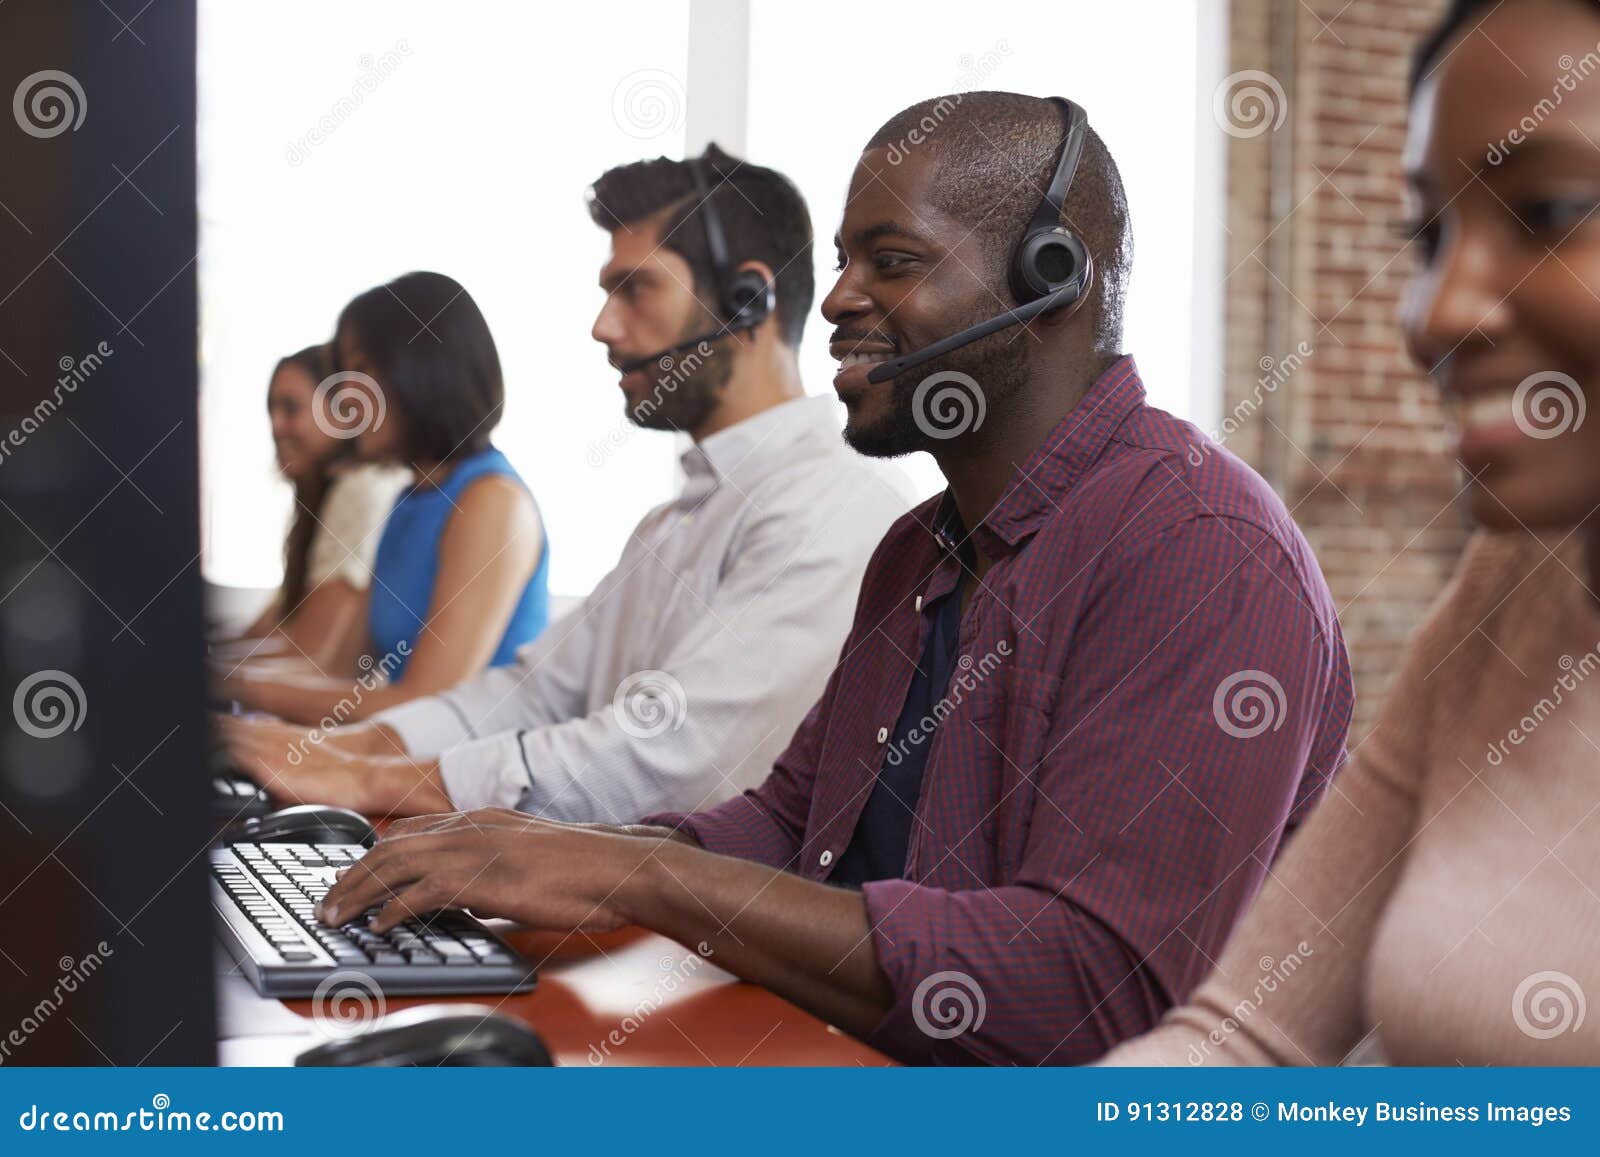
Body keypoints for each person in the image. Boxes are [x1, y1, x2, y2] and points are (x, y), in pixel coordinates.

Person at [313, 93, 1354, 1067]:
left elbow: (1092, 988)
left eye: (891, 262)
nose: (840, 299)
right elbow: (789, 822)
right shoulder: (918, 552)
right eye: (848, 259)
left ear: (1049, 280)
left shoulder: (1197, 548)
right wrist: (550, 855)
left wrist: (635, 874)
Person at [1098, 0, 1600, 1066]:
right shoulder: (1512, 586)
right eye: (1429, 235)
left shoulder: (1209, 542)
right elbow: (1243, 1035)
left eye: (1551, 208)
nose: (1433, 310)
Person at [219, 145, 915, 823]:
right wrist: (330, 750)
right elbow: (523, 696)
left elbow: (669, 761)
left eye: (635, 288)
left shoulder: (831, 511)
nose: (602, 326)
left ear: (747, 300)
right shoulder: (670, 525)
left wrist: (364, 775)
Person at [214, 272, 550, 724]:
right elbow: (338, 669)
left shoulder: (493, 502)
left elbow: (427, 703)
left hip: (473, 780)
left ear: (423, 369)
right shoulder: (407, 502)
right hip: (404, 766)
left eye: (363, 370)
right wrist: (218, 673)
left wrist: (230, 683)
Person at [211, 342, 410, 673]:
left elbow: (307, 653)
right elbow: (273, 626)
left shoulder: (360, 489)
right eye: (271, 410)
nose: (276, 427)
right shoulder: (320, 497)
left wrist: (205, 671)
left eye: (291, 409)